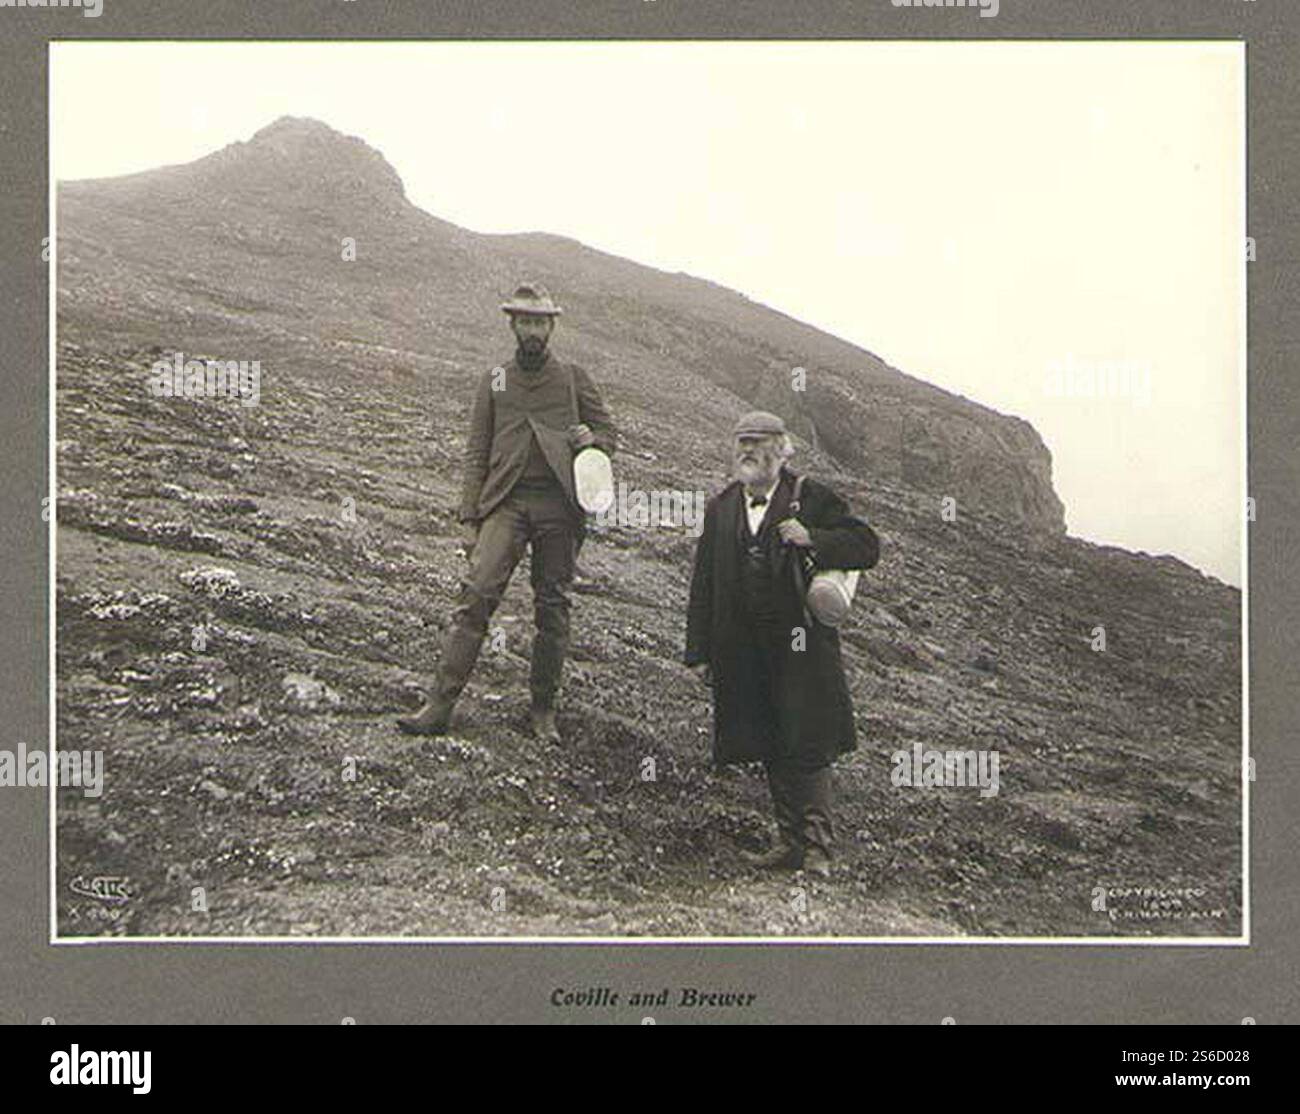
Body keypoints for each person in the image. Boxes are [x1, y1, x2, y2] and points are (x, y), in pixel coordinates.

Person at [397, 283, 616, 743]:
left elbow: (608, 435)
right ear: (513, 325)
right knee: (476, 595)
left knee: (552, 608)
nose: (533, 329)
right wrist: (470, 518)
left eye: (540, 322)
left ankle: (542, 712)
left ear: (551, 326)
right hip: (506, 504)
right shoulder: (495, 378)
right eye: (525, 321)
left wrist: (590, 440)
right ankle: (439, 705)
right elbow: (477, 449)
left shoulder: (574, 378)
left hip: (560, 506)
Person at [685, 411, 879, 877]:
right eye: (741, 443)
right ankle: (789, 843)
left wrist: (813, 536)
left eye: (757, 443)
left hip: (801, 646)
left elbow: (866, 545)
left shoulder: (807, 496)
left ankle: (818, 849)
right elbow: (704, 582)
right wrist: (700, 652)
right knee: (769, 740)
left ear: (781, 449)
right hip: (744, 649)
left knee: (807, 742)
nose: (747, 451)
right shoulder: (722, 506)